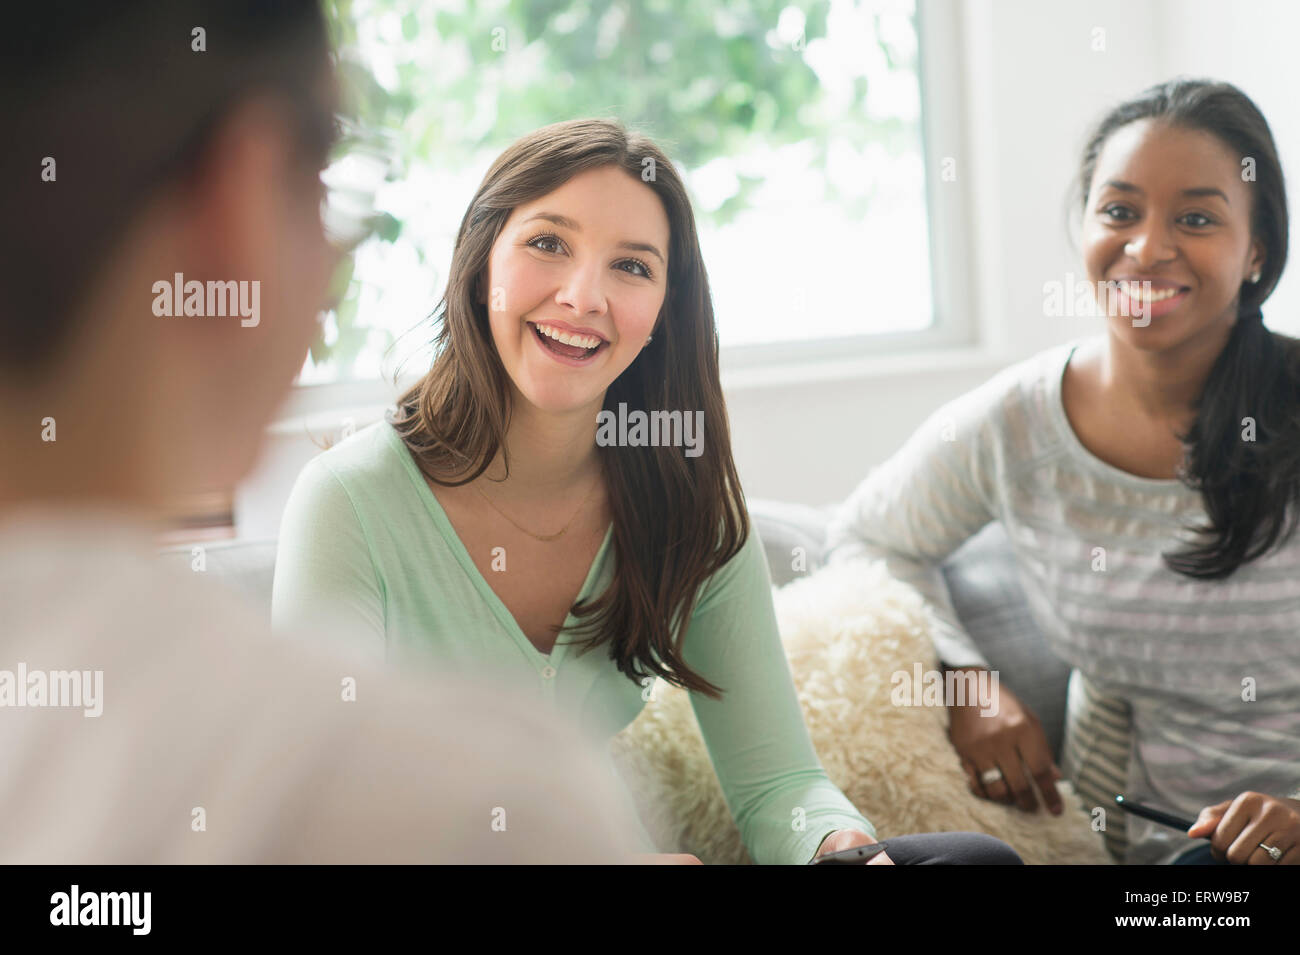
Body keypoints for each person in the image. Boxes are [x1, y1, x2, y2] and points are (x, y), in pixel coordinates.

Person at [272, 117, 1022, 865]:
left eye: (631, 266)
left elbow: (779, 784)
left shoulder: (688, 508)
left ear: (665, 310)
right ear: (480, 262)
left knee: (972, 862)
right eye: (548, 243)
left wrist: (840, 845)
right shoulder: (350, 502)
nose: (582, 296)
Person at [0, 0, 646, 864]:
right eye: (327, 189)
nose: (336, 274)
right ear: (238, 207)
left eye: (632, 265)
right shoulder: (484, 806)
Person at [827, 78, 1300, 865]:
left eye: (1195, 218)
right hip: (1143, 859)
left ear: (1257, 249)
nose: (1146, 248)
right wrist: (966, 684)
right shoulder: (1017, 423)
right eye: (1118, 211)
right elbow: (868, 536)